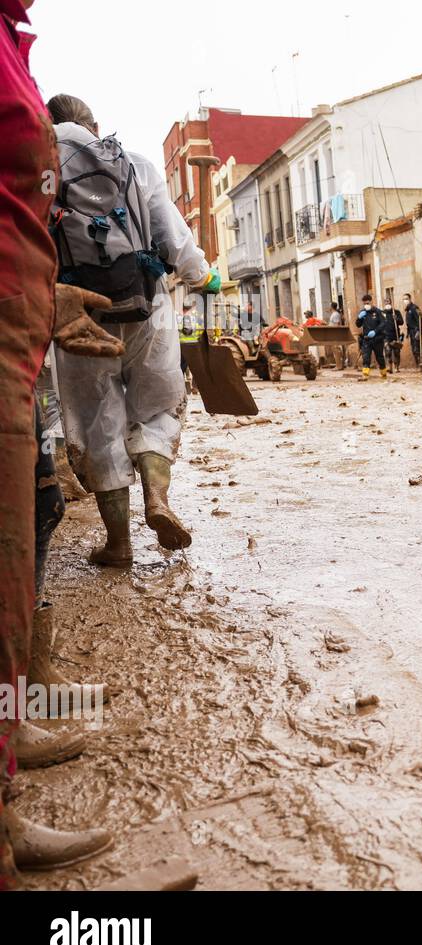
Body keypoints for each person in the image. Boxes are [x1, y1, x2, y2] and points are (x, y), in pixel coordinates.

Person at [1, 0, 119, 885]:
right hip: (12, 329)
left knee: (20, 549)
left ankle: (10, 743)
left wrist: (47, 298)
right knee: (21, 535)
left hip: (30, 322)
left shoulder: (9, 39)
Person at [46, 94, 219, 569]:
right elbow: (173, 238)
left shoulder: (42, 177)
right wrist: (204, 276)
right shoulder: (134, 164)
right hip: (147, 302)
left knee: (99, 425)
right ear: (95, 126)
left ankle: (119, 545)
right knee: (158, 407)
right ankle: (158, 502)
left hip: (78, 315)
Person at [354, 293, 389, 380]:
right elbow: (358, 325)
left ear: (371, 302)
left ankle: (383, 374)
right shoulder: (363, 313)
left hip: (377, 338)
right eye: (365, 304)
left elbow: (383, 323)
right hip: (367, 339)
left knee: (379, 357)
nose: (366, 305)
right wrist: (359, 318)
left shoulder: (377, 312)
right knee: (366, 357)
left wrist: (375, 331)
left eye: (368, 303)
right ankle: (365, 375)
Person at [178, 297, 200, 394]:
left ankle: (180, 389)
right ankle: (195, 387)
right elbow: (199, 332)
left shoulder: (178, 319)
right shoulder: (195, 319)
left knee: (180, 369)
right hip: (193, 346)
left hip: (182, 347)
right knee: (195, 368)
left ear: (182, 309)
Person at [402, 292, 422, 372]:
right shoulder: (407, 309)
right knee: (414, 349)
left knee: (417, 348)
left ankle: (421, 365)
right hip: (411, 331)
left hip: (416, 330)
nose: (405, 300)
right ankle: (418, 366)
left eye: (406, 299)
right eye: (404, 299)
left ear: (410, 299)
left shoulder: (414, 308)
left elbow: (419, 320)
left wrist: (418, 331)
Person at [382, 298, 403, 371]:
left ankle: (397, 367)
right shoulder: (382, 313)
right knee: (387, 351)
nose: (387, 303)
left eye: (388, 301)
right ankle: (389, 367)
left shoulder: (396, 312)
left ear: (391, 302)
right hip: (386, 335)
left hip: (395, 334)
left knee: (396, 351)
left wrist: (396, 319)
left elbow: (401, 322)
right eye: (385, 302)